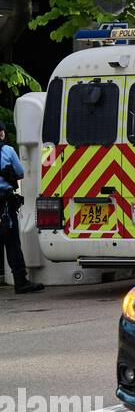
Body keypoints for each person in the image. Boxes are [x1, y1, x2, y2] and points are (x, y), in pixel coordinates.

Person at [0, 122, 44, 294]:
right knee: (12, 244)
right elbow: (20, 173)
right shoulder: (8, 151)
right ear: (2, 133)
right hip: (4, 204)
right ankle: (21, 281)